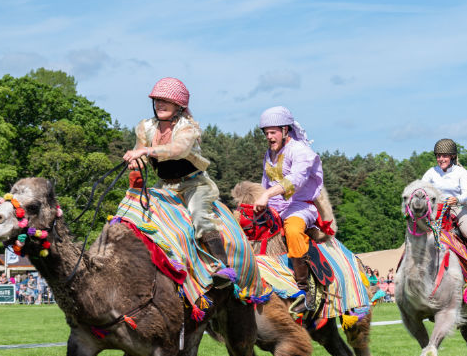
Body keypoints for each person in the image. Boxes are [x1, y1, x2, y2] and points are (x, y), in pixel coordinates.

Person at [121, 77, 232, 287]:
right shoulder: (145, 127)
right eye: (157, 100)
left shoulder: (187, 128)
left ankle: (223, 267)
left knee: (199, 215)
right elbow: (141, 154)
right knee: (142, 215)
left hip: (195, 185)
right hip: (164, 185)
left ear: (178, 106)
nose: (159, 105)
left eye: (165, 101)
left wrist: (146, 151)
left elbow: (177, 150)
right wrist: (135, 163)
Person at [253, 106, 324, 312]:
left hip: (300, 205)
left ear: (285, 130)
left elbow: (296, 180)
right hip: (275, 207)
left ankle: (305, 290)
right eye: (266, 133)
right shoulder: (269, 154)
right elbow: (265, 183)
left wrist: (267, 195)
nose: (269, 137)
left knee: (292, 230)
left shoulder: (301, 151)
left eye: (272, 132)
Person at [421, 138, 467, 276]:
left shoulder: (461, 172)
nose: (440, 159)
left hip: (457, 206)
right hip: (436, 208)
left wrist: (457, 199)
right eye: (438, 156)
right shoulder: (431, 172)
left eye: (444, 156)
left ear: (452, 156)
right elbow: (421, 187)